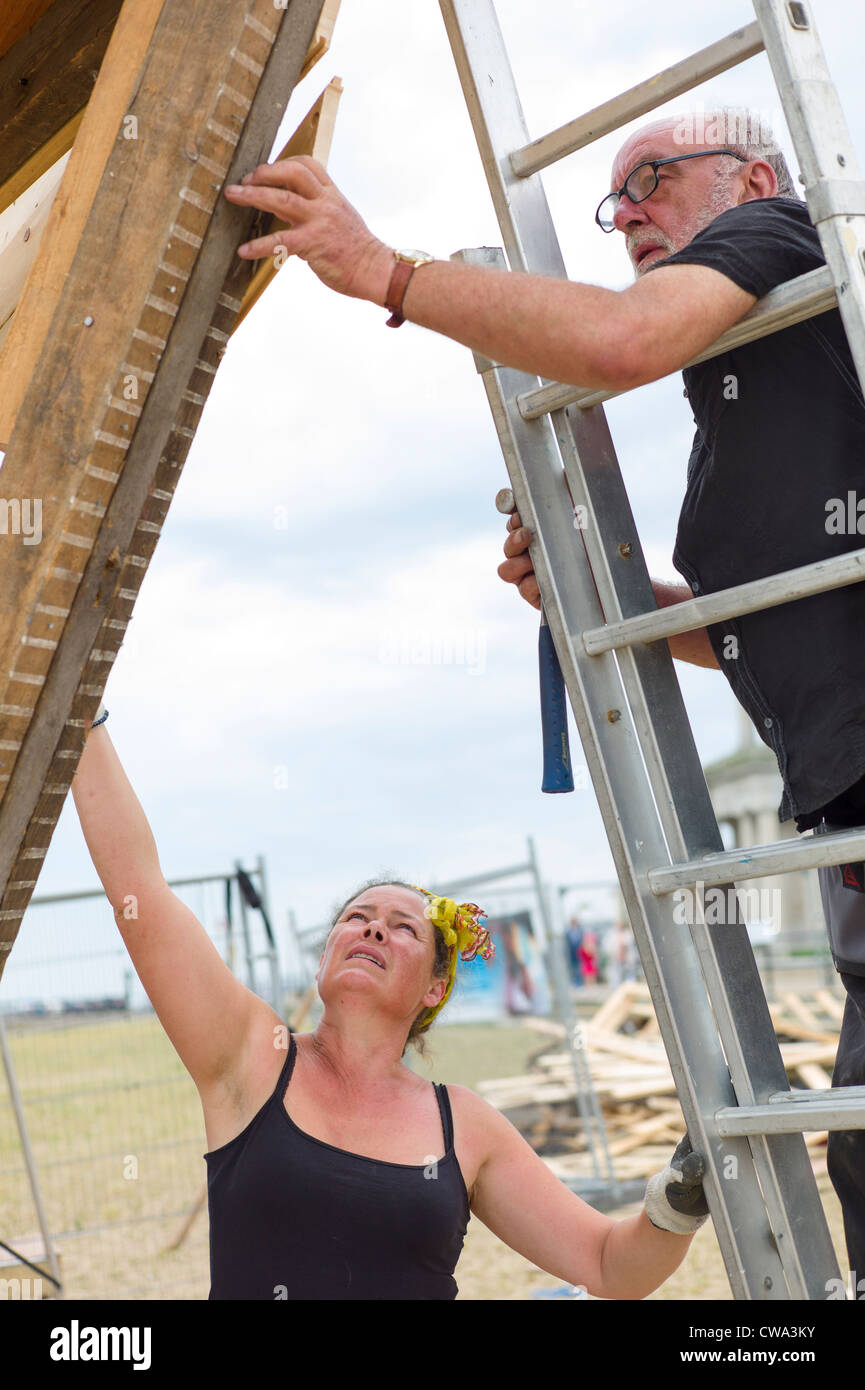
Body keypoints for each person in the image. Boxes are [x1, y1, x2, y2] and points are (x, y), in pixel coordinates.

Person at [220, 102, 865, 1276]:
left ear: (754, 175)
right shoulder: (756, 386)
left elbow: (616, 341)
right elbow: (767, 642)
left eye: (653, 179)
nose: (624, 215)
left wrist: (384, 270)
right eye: (612, 202)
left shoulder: (782, 231)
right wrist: (600, 604)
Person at [72, 705, 708, 1300]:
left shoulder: (464, 1124)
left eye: (404, 928)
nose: (373, 929)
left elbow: (605, 1262)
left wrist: (673, 1205)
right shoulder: (251, 1058)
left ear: (435, 988)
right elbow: (139, 888)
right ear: (325, 958)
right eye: (356, 917)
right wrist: (84, 710)